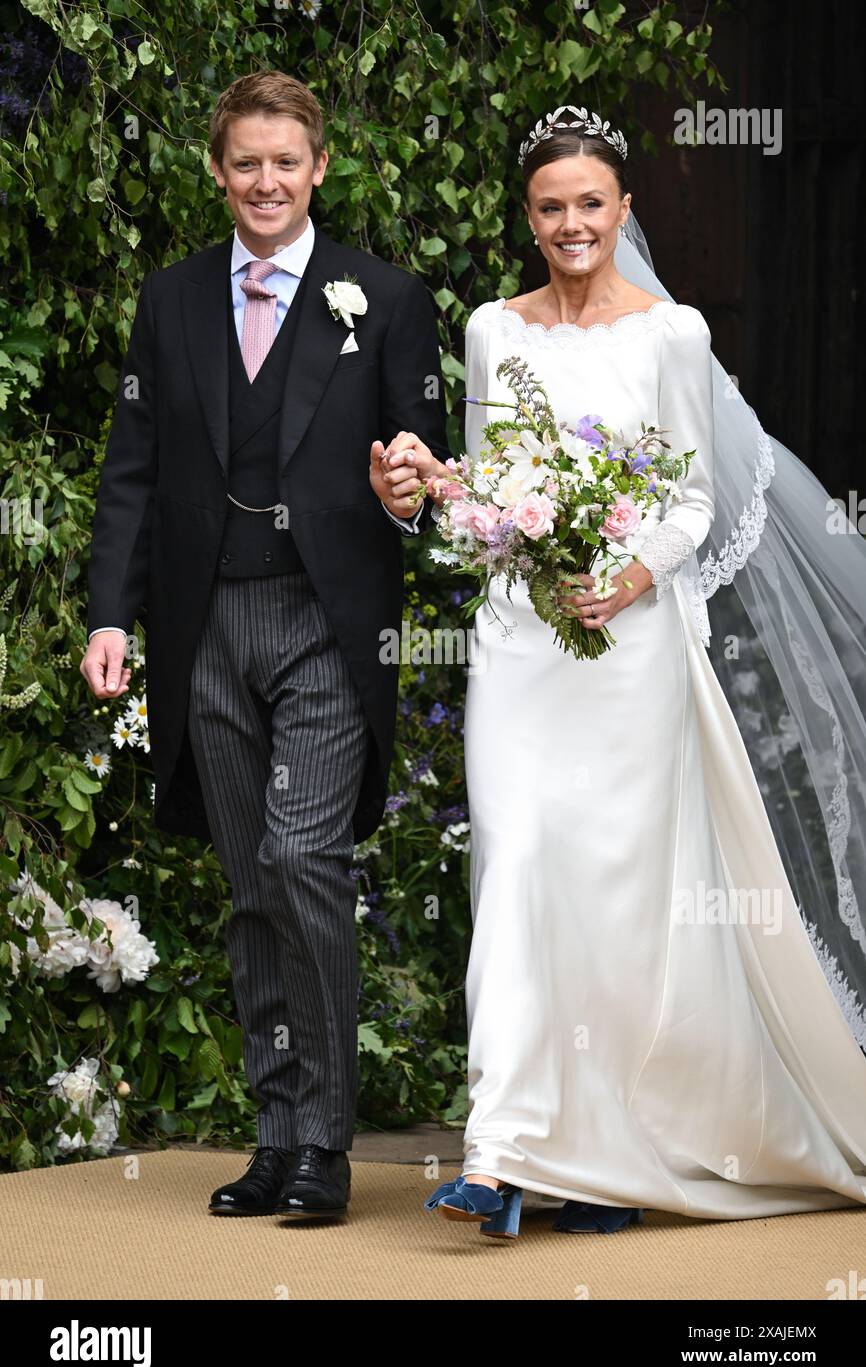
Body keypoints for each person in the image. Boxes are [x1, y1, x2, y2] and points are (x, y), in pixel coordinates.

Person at [379, 106, 866, 1240]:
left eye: (589, 202)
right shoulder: (493, 328)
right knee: (514, 869)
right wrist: (426, 490)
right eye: (550, 206)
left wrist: (630, 578)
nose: (570, 224)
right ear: (528, 216)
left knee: (617, 899)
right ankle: (501, 1152)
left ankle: (607, 1165)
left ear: (623, 209)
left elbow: (690, 500)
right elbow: (494, 487)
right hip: (520, 644)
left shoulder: (672, 335)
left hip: (628, 643)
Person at [80, 71, 447, 1221]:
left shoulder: (384, 299)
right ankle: (275, 1129)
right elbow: (131, 473)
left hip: (326, 625)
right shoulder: (171, 299)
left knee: (303, 859)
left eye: (286, 161)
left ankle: (328, 1140)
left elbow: (420, 472)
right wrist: (107, 614)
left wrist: (404, 489)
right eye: (246, 161)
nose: (266, 181)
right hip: (204, 628)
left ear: (319, 167)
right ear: (217, 169)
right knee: (250, 886)